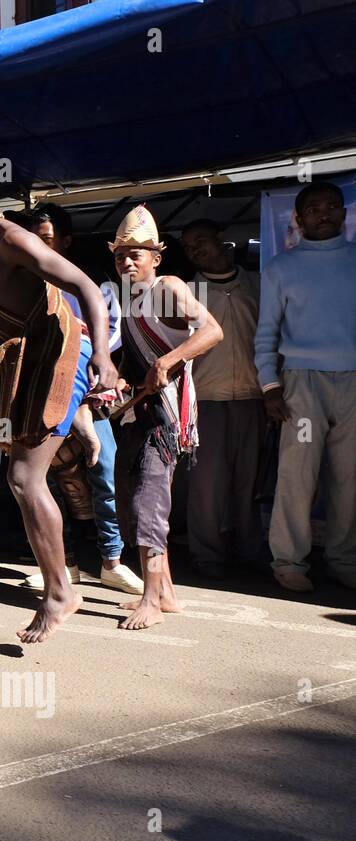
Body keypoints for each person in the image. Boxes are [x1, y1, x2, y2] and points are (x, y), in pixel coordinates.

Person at [0, 156, 119, 643]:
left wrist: (103, 353)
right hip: (21, 359)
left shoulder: (15, 240)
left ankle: (60, 593)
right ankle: (68, 436)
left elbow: (86, 287)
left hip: (60, 354)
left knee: (21, 476)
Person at [22, 204, 143, 596]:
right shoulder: (24, 286)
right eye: (35, 240)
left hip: (88, 398)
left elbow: (109, 341)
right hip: (41, 397)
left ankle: (112, 561)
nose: (41, 247)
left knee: (104, 472)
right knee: (51, 479)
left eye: (48, 239)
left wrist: (87, 390)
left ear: (66, 241)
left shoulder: (95, 287)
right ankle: (64, 564)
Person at [111, 205, 222, 629]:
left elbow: (212, 330)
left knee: (149, 501)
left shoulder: (169, 286)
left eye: (136, 254)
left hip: (170, 412)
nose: (126, 261)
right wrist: (121, 379)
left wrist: (169, 361)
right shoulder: (128, 297)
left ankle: (152, 600)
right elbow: (136, 358)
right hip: (142, 409)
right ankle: (165, 592)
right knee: (134, 495)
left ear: (156, 258)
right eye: (121, 254)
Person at [256, 180, 356, 592]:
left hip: (353, 385)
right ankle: (289, 560)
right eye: (314, 208)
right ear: (298, 218)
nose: (324, 213)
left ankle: (344, 558)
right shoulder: (281, 267)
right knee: (297, 474)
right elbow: (266, 334)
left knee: (350, 478)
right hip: (302, 387)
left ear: (344, 213)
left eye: (332, 206)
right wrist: (270, 386)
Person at [179, 218, 267, 580]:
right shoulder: (187, 292)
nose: (196, 249)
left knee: (249, 482)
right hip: (207, 399)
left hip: (253, 397)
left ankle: (249, 550)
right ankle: (207, 556)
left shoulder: (257, 284)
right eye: (188, 246)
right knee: (207, 486)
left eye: (201, 240)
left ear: (221, 239)